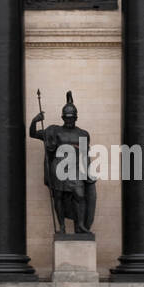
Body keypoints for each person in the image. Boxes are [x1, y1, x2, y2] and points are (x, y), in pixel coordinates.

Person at [29, 91, 96, 234]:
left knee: (80, 195)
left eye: (71, 118)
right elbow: (33, 134)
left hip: (76, 169)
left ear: (76, 118)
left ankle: (80, 226)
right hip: (59, 168)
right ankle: (62, 227)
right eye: (66, 118)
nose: (69, 121)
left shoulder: (83, 134)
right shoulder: (55, 131)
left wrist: (89, 173)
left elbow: (85, 156)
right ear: (63, 117)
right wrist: (35, 121)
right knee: (58, 197)